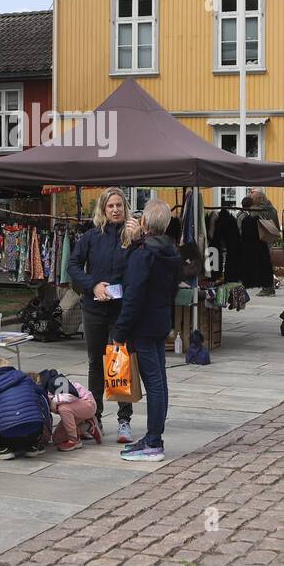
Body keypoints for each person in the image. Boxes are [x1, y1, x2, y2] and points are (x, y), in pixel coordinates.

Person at [111, 197, 180, 462]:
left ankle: (154, 442)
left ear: (144, 222)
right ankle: (153, 437)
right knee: (159, 382)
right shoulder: (169, 250)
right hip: (160, 320)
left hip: (144, 324)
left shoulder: (144, 253)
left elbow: (133, 294)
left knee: (154, 384)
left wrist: (120, 329)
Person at [67, 187, 134, 442]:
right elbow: (72, 265)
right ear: (103, 210)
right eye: (111, 206)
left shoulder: (131, 237)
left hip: (121, 311)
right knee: (96, 364)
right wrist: (93, 284)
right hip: (94, 309)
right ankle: (94, 418)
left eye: (119, 205)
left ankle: (124, 420)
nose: (115, 209)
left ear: (124, 208)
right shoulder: (91, 237)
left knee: (119, 363)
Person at [0, 359, 50, 459]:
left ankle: (2, 448)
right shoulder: (27, 380)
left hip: (7, 435)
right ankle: (31, 446)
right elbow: (44, 402)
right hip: (33, 431)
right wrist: (45, 430)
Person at [35, 368, 100, 452]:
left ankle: (74, 440)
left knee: (63, 408)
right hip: (77, 409)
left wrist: (54, 401)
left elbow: (71, 395)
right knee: (57, 439)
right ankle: (89, 425)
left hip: (88, 404)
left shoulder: (56, 381)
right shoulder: (48, 387)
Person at [238, 195, 275, 295]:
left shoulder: (250, 215)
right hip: (264, 240)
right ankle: (268, 287)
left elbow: (241, 232)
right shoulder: (269, 210)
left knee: (260, 265)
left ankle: (265, 287)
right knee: (265, 265)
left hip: (254, 244)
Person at [249, 189, 280, 296]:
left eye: (252, 198)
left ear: (257, 199)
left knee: (263, 264)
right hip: (270, 238)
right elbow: (276, 224)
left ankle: (267, 288)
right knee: (267, 263)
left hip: (260, 239)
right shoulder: (273, 209)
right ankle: (269, 286)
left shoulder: (255, 210)